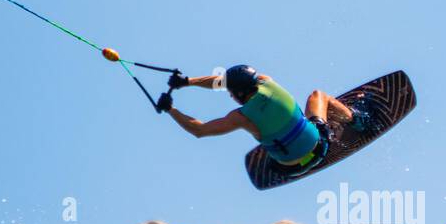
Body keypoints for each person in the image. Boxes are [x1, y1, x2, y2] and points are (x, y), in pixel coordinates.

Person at [159, 65, 373, 177]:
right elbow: (225, 82)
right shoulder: (266, 81)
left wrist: (171, 109)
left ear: (237, 94)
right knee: (318, 96)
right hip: (319, 146)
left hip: (288, 167)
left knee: (263, 135)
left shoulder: (240, 117)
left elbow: (200, 130)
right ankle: (357, 121)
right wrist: (187, 81)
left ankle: (286, 148)